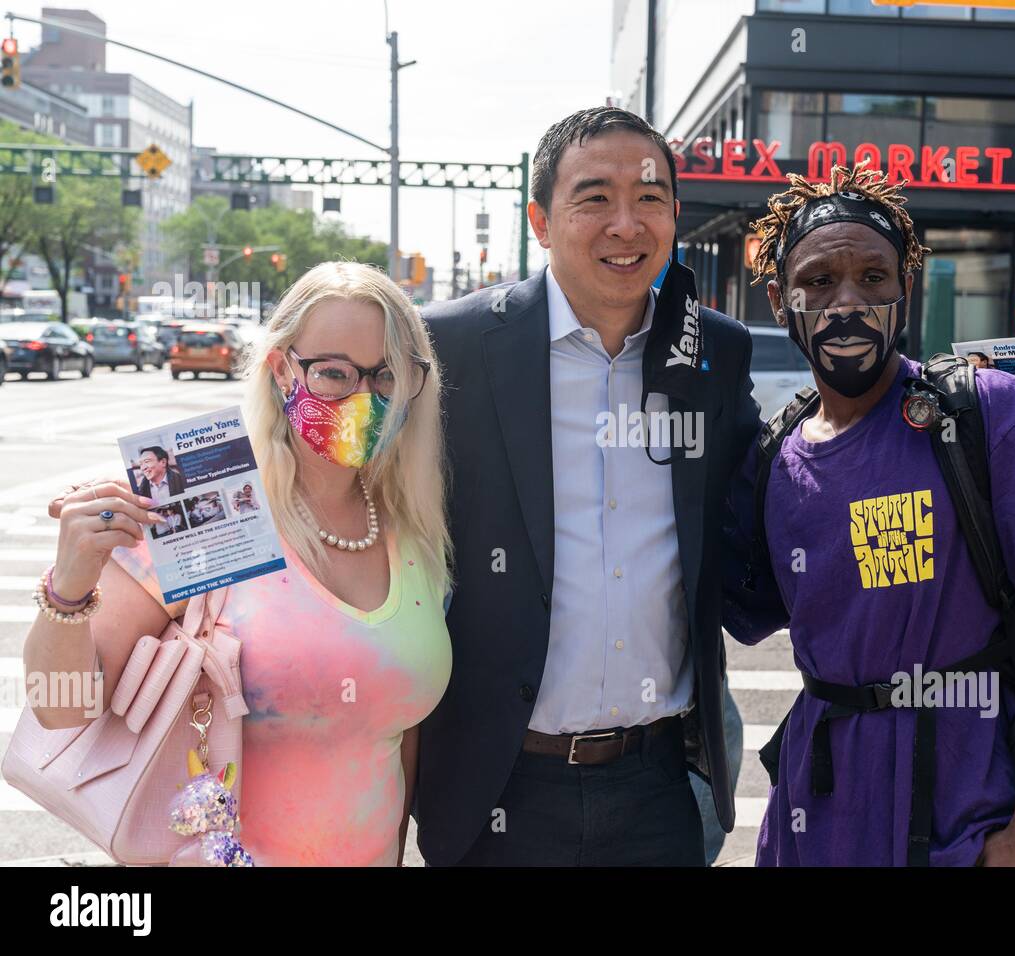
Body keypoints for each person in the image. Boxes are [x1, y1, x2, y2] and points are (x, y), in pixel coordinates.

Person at [722, 162, 1015, 866]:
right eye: (817, 282)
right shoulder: (773, 458)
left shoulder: (985, 412)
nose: (847, 304)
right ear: (780, 301)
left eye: (873, 278)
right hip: (819, 816)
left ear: (906, 290)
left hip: (963, 812)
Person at [416, 106, 762, 866]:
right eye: (595, 198)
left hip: (660, 788)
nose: (625, 224)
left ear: (675, 215)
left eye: (649, 198)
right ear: (541, 219)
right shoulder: (453, 346)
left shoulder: (716, 354)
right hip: (499, 787)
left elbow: (762, 514)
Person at [29, 261, 452, 866]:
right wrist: (69, 586)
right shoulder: (209, 511)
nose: (362, 398)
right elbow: (60, 706)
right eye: (334, 373)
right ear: (282, 368)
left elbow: (397, 739)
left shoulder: (415, 532)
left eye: (386, 376)